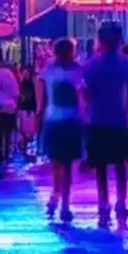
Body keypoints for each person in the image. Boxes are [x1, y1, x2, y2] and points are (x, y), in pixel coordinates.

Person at [82, 21, 128, 227]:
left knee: (100, 167)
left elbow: (86, 92)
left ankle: (103, 202)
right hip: (120, 119)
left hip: (96, 119)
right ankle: (121, 202)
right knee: (120, 164)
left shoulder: (90, 65)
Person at [38, 38, 84, 222]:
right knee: (68, 165)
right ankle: (64, 202)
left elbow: (42, 98)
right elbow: (82, 97)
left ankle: (55, 195)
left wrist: (38, 118)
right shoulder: (79, 71)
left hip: (53, 119)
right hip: (72, 120)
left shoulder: (48, 70)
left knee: (56, 163)